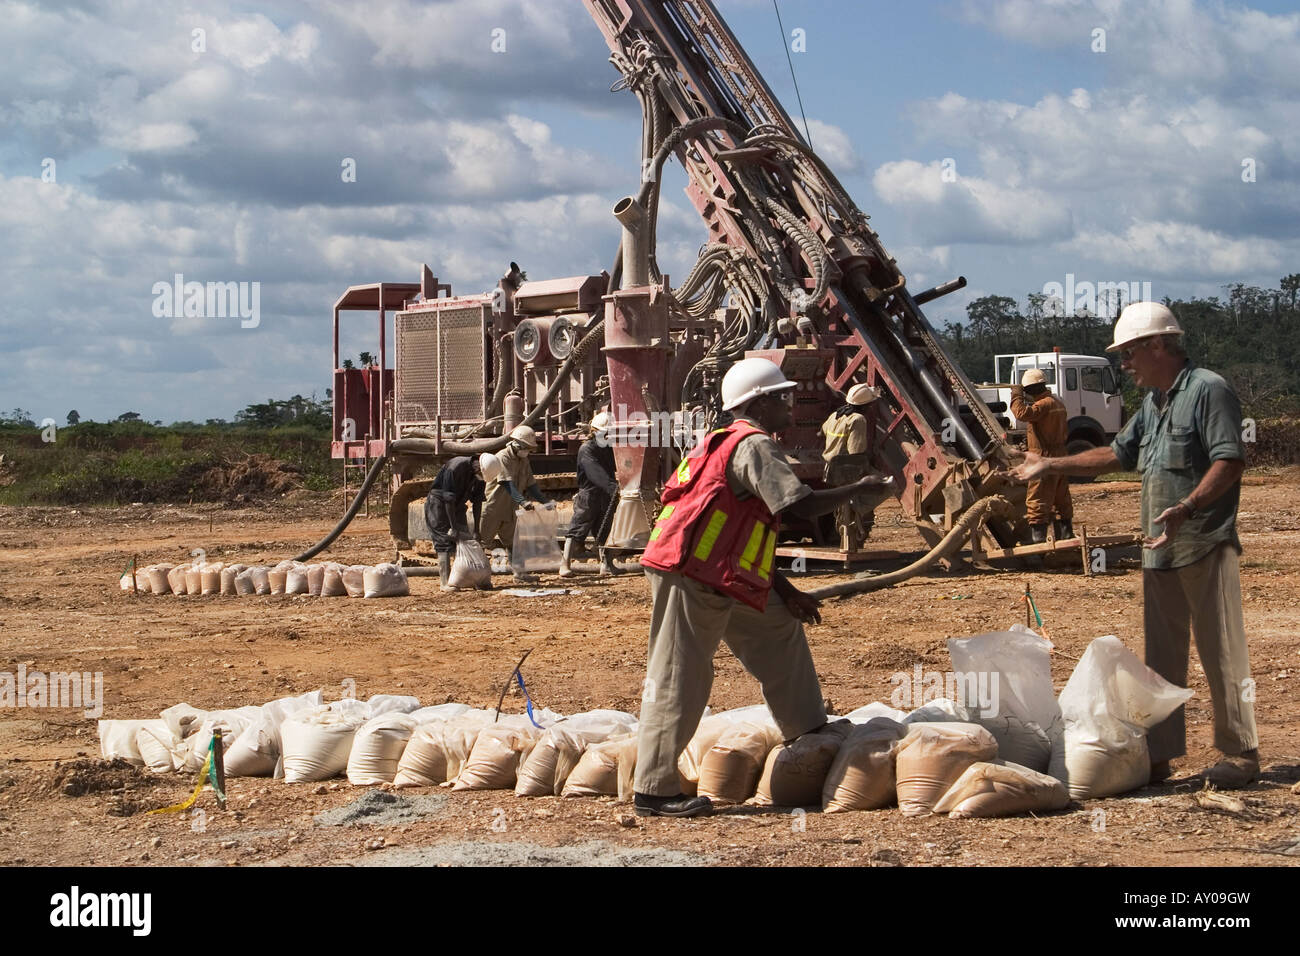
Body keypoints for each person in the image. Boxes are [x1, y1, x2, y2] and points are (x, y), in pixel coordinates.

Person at [1011, 302, 1258, 789]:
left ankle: (1241, 755)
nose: (1124, 363)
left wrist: (1187, 506)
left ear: (1159, 345)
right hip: (1159, 548)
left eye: (1128, 353)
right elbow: (1117, 454)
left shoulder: (1207, 390)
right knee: (1161, 662)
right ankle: (1162, 757)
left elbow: (1230, 460)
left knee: (1221, 653)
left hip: (1204, 544)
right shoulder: (1154, 402)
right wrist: (1049, 466)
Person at [632, 357, 894, 817]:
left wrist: (785, 589)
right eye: (782, 396)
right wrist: (860, 487)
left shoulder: (723, 442)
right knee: (680, 674)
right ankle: (653, 789)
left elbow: (740, 527)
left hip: (721, 574)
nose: (791, 403)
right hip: (689, 574)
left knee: (779, 632)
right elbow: (798, 508)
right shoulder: (754, 445)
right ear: (759, 402)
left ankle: (807, 730)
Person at [478, 424, 554, 584]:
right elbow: (507, 484)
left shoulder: (523, 460)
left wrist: (545, 501)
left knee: (513, 543)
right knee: (482, 542)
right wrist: (523, 502)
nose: (527, 451)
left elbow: (531, 484)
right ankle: (477, 575)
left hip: (511, 508)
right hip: (494, 507)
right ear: (517, 444)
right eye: (526, 447)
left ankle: (519, 574)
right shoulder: (502, 457)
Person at [1010, 368, 1074, 542]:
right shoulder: (1057, 403)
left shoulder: (1044, 404)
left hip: (1043, 457)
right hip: (1060, 456)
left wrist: (1016, 395)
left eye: (1027, 390)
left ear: (1031, 389)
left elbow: (1022, 413)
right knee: (1061, 498)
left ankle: (1037, 543)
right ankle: (1066, 537)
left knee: (1037, 499)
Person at [820, 382, 882, 550]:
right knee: (887, 485)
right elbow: (857, 451)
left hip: (830, 467)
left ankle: (850, 514)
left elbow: (823, 430)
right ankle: (857, 509)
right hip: (847, 468)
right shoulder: (858, 419)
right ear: (867, 405)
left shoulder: (836, 415)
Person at [424, 453, 498, 591]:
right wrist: (453, 527)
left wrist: (476, 529)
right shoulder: (455, 467)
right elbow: (448, 499)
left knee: (467, 537)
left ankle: (477, 579)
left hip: (457, 505)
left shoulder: (480, 474)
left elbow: (477, 502)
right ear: (477, 467)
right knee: (444, 540)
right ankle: (445, 582)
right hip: (439, 504)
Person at [560, 411, 620, 578]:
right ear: (597, 432)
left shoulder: (607, 448)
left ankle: (606, 565)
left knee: (605, 530)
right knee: (577, 529)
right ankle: (564, 565)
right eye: (608, 432)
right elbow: (595, 473)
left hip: (605, 494)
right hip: (589, 495)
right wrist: (612, 486)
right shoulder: (587, 449)